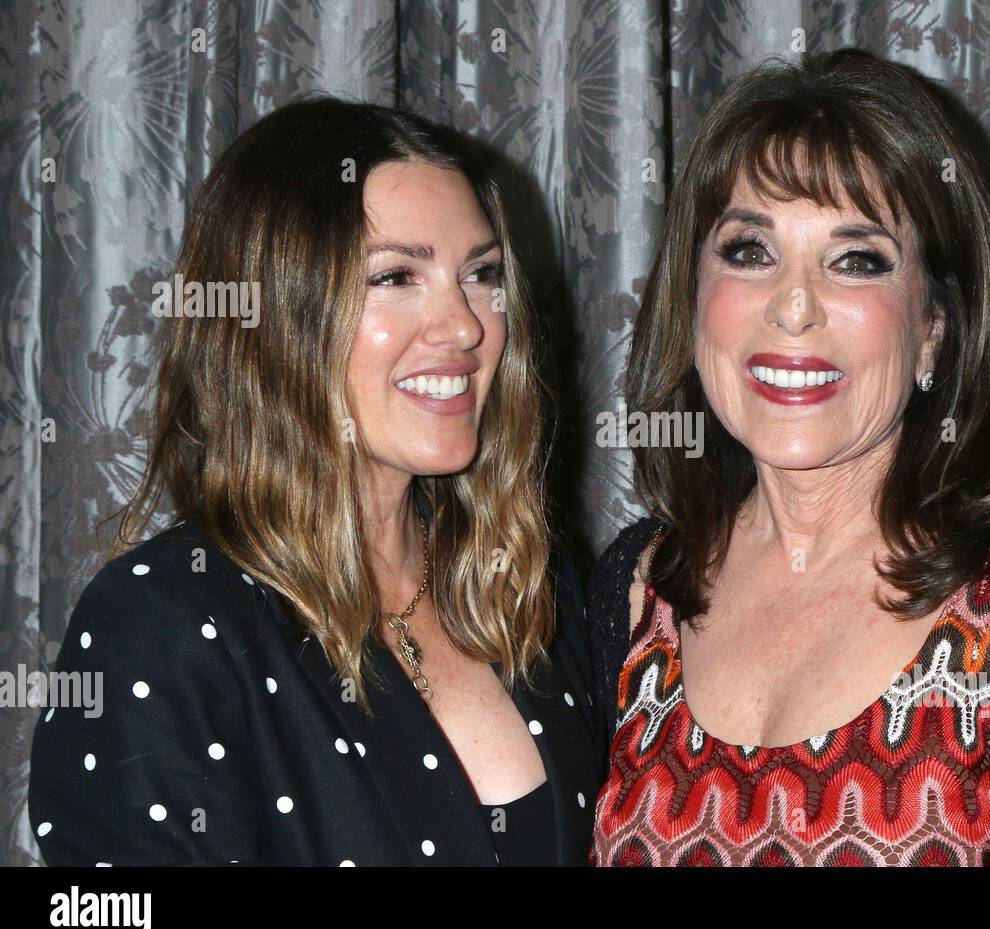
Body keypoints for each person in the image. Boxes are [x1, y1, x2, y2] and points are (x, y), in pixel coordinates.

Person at [585, 49, 990, 866]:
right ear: (692, 298)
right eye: (749, 252)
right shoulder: (635, 587)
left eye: (857, 260)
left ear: (933, 332)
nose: (793, 307)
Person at [29, 96, 603, 866]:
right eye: (396, 276)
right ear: (276, 315)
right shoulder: (163, 624)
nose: (464, 325)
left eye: (482, 273)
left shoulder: (530, 584)